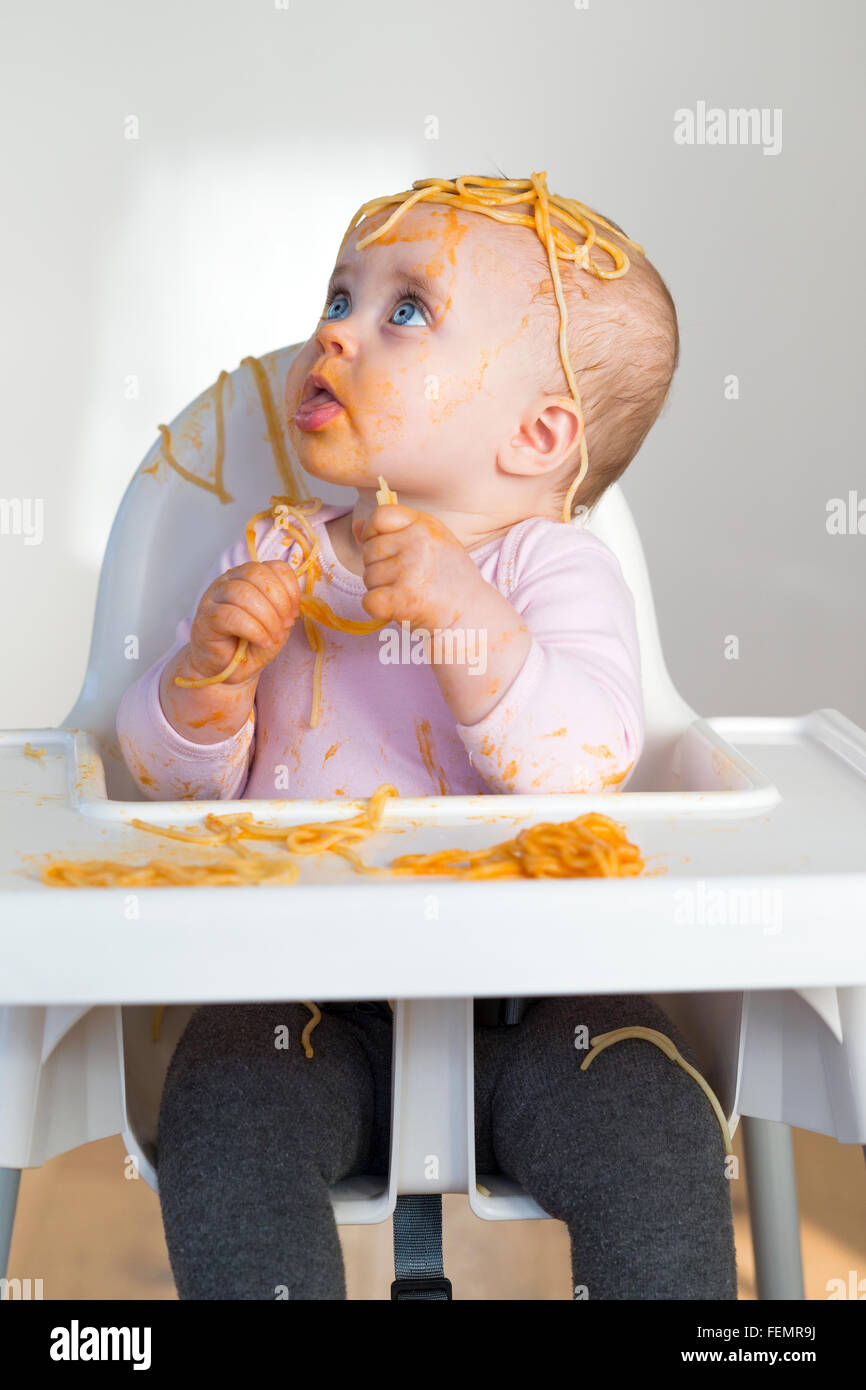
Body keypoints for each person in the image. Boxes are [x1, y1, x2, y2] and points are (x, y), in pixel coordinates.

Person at [117, 173, 737, 1299]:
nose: (335, 331)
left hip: (549, 1003)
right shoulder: (274, 556)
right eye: (338, 295)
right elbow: (164, 782)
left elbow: (581, 755)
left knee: (653, 1117)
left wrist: (463, 614)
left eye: (404, 310)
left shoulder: (551, 571)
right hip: (301, 1002)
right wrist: (205, 684)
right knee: (220, 1104)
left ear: (536, 435)